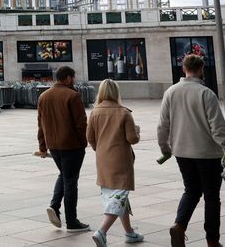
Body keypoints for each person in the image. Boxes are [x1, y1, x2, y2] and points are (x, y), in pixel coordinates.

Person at [157, 54, 225, 247]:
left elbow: (162, 126)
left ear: (184, 69)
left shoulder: (170, 92)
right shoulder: (206, 94)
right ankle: (212, 241)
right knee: (211, 197)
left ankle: (179, 226)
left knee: (191, 190)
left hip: (182, 152)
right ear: (201, 70)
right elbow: (218, 128)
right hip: (207, 154)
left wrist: (165, 149)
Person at [86, 79, 144, 246]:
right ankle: (102, 232)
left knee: (118, 195)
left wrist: (101, 149)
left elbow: (90, 137)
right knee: (118, 196)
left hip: (103, 159)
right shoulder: (123, 112)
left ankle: (129, 232)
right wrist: (137, 132)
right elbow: (132, 139)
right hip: (121, 160)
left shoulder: (95, 112)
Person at [37, 65, 90, 232]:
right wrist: (84, 143)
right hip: (72, 145)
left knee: (65, 175)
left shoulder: (43, 96)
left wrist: (43, 146)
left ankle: (54, 206)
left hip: (54, 146)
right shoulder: (72, 96)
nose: (73, 81)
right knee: (71, 181)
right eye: (73, 78)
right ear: (68, 78)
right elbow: (81, 124)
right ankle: (72, 221)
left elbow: (40, 123)